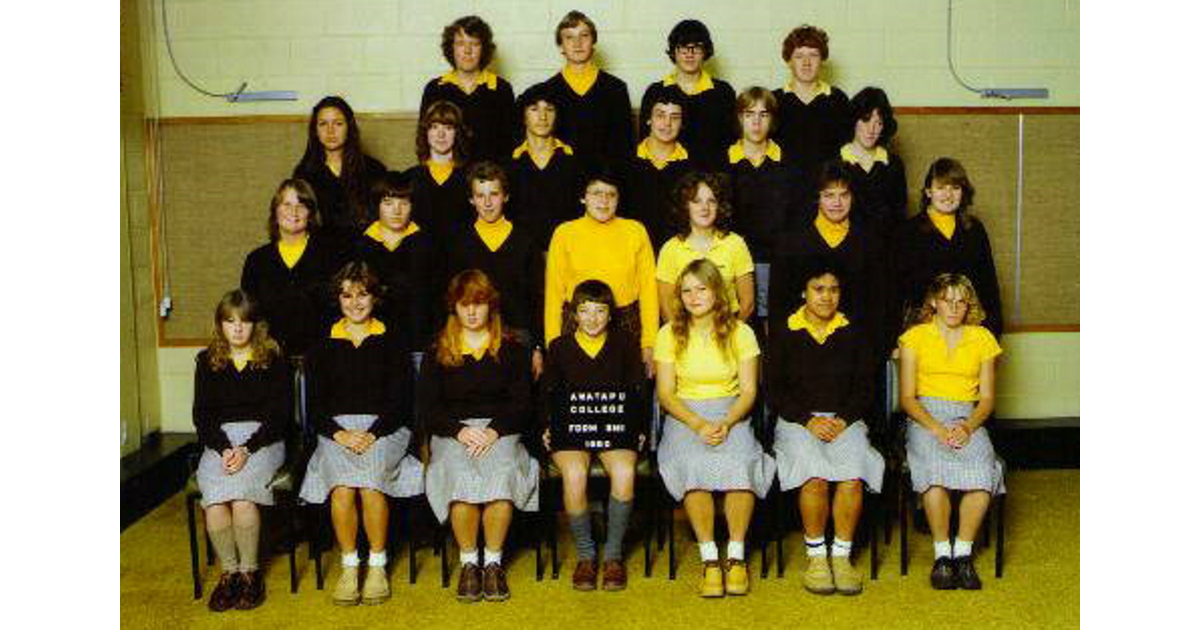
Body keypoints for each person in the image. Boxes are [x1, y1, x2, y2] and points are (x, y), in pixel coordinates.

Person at [298, 262, 423, 606]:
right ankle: (351, 565)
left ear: (375, 297)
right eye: (347, 295)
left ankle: (378, 565)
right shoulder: (322, 343)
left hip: (386, 429)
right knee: (341, 488)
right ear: (338, 299)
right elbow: (316, 406)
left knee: (369, 485)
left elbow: (402, 401)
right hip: (336, 432)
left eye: (363, 294)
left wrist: (372, 433)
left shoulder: (393, 339)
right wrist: (339, 434)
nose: (355, 302)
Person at [654, 259, 775, 598]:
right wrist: (696, 423)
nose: (693, 297)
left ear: (717, 291)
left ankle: (735, 556)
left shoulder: (741, 332)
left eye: (701, 288)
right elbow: (665, 392)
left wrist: (725, 421)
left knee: (739, 459)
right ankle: (709, 559)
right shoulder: (668, 333)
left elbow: (750, 390)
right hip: (684, 414)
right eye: (687, 290)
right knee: (692, 461)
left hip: (730, 409)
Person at [418, 270, 539, 603]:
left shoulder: (513, 347)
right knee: (460, 476)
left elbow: (523, 402)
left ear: (491, 306)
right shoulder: (437, 349)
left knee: (500, 474)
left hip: (500, 429)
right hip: (453, 431)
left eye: (479, 303)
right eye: (464, 304)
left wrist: (494, 430)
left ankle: (493, 564)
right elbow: (427, 407)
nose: (471, 311)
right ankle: (470, 563)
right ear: (453, 308)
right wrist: (460, 431)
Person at [767, 261, 883, 596]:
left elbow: (865, 389)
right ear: (804, 292)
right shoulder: (785, 331)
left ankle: (842, 556)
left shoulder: (855, 332)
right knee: (814, 476)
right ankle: (817, 557)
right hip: (797, 420)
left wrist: (843, 420)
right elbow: (774, 391)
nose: (826, 297)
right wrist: (809, 420)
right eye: (819, 289)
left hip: (845, 418)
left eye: (833, 290)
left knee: (851, 475)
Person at [898, 273, 1004, 591]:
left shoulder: (983, 337)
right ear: (934, 302)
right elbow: (906, 397)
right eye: (948, 300)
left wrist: (968, 427)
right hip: (925, 416)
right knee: (933, 468)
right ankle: (942, 554)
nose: (955, 307)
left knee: (983, 466)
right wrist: (936, 427)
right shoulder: (915, 336)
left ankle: (963, 553)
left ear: (969, 304)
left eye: (962, 301)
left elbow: (986, 399)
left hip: (967, 416)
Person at [540, 280, 646, 591]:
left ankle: (613, 556)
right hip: (573, 430)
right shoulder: (559, 347)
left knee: (625, 472)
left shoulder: (626, 344)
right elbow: (548, 394)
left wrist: (638, 428)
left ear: (611, 314)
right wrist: (548, 426)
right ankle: (586, 556)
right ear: (573, 314)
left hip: (614, 427)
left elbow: (637, 391)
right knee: (574, 474)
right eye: (584, 311)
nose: (592, 318)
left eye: (600, 311)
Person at [192, 289, 291, 612]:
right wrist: (223, 449)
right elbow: (202, 415)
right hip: (220, 442)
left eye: (244, 322)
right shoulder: (207, 362)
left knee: (243, 497)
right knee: (217, 499)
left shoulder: (273, 359)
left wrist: (247, 449)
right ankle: (229, 573)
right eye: (230, 321)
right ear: (220, 325)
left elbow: (281, 416)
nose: (237, 329)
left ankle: (250, 573)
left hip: (263, 440)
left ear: (255, 326)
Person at [545, 167, 658, 378]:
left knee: (626, 393)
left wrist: (649, 343)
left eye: (611, 194)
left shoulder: (635, 231)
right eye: (596, 193)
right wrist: (553, 345)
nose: (604, 201)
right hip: (578, 320)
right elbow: (553, 294)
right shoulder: (565, 233)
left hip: (626, 321)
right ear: (583, 198)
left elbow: (649, 292)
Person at [769, 162, 887, 360]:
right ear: (817, 198)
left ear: (853, 198)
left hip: (856, 351)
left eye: (844, 195)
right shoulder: (792, 243)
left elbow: (879, 305)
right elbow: (779, 307)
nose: (837, 203)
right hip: (802, 348)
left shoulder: (870, 244)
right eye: (829, 195)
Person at [445, 161, 544, 377]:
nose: (488, 203)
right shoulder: (459, 242)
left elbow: (537, 297)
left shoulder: (525, 240)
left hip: (518, 335)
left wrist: (538, 347)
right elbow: (453, 297)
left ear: (505, 196)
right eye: (480, 196)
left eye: (494, 194)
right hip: (471, 335)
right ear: (471, 200)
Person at [892, 158, 1003, 345]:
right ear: (928, 191)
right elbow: (896, 291)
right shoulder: (907, 232)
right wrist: (895, 339)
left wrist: (992, 332)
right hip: (922, 330)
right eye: (941, 187)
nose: (948, 194)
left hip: (969, 329)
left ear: (963, 193)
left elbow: (988, 285)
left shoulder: (974, 230)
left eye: (955, 188)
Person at [724, 87, 807, 320]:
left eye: (764, 115)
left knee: (774, 325)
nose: (756, 122)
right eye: (750, 114)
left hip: (777, 261)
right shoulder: (723, 162)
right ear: (740, 118)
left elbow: (798, 217)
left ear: (772, 120)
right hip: (735, 261)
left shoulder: (790, 163)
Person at [240, 178, 341, 358]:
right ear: (275, 211)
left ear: (310, 213)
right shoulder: (256, 261)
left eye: (301, 205)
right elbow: (248, 312)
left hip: (323, 357)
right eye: (286, 204)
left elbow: (340, 308)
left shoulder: (331, 256)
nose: (293, 212)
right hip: (270, 358)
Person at [353, 170, 442, 352]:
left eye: (404, 203)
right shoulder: (361, 246)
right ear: (377, 205)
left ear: (412, 206)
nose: (396, 210)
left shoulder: (428, 244)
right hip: (373, 345)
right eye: (388, 203)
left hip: (419, 344)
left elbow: (438, 298)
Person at [656, 171, 755, 322]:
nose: (705, 207)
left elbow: (747, 303)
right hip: (685, 333)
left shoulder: (736, 244)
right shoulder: (670, 249)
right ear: (685, 206)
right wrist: (683, 339)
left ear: (719, 206)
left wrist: (730, 336)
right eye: (696, 201)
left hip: (728, 329)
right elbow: (666, 308)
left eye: (712, 201)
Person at [541, 10, 634, 171]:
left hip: (605, 183)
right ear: (561, 46)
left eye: (584, 36)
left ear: (593, 42)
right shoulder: (547, 91)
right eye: (569, 37)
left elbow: (625, 148)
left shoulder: (615, 89)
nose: (577, 43)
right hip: (562, 180)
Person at [638, 19, 736, 170]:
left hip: (712, 175)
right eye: (683, 47)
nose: (689, 54)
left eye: (696, 47)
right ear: (673, 51)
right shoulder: (655, 92)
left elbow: (731, 141)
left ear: (705, 51)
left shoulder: (723, 92)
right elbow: (644, 143)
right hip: (668, 174)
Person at [419, 15, 517, 164]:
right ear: (451, 48)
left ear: (484, 49)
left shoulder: (501, 89)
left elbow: (509, 144)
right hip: (449, 177)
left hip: (487, 178)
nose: (467, 50)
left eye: (474, 44)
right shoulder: (434, 89)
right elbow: (424, 143)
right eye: (460, 43)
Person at [292, 96, 387, 247]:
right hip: (323, 256)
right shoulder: (304, 174)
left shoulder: (374, 169)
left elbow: (385, 221)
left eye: (338, 123)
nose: (330, 131)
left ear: (349, 127)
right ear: (315, 131)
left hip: (369, 254)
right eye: (323, 124)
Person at [508, 82, 585, 251]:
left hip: (567, 252)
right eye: (534, 109)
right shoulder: (510, 163)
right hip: (522, 255)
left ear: (557, 115)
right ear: (523, 116)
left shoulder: (575, 161)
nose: (542, 117)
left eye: (549, 109)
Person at [772, 25, 852, 179]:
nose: (806, 62)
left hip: (827, 190)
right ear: (789, 61)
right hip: (785, 188)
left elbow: (847, 149)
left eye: (813, 55)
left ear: (822, 60)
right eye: (799, 56)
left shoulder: (838, 99)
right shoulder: (774, 100)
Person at [626, 88, 694, 249]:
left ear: (682, 123)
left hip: (680, 253)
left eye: (675, 117)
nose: (667, 123)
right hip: (634, 251)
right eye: (660, 115)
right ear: (648, 119)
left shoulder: (695, 167)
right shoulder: (624, 163)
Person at [405, 100, 473, 244]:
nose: (440, 134)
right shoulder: (409, 177)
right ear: (426, 132)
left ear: (457, 133)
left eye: (448, 127)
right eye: (434, 127)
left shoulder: (470, 177)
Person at [839, 87, 907, 232]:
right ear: (854, 121)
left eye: (878, 123)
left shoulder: (894, 164)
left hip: (886, 247)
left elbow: (899, 215)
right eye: (865, 120)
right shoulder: (835, 162)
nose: (871, 130)